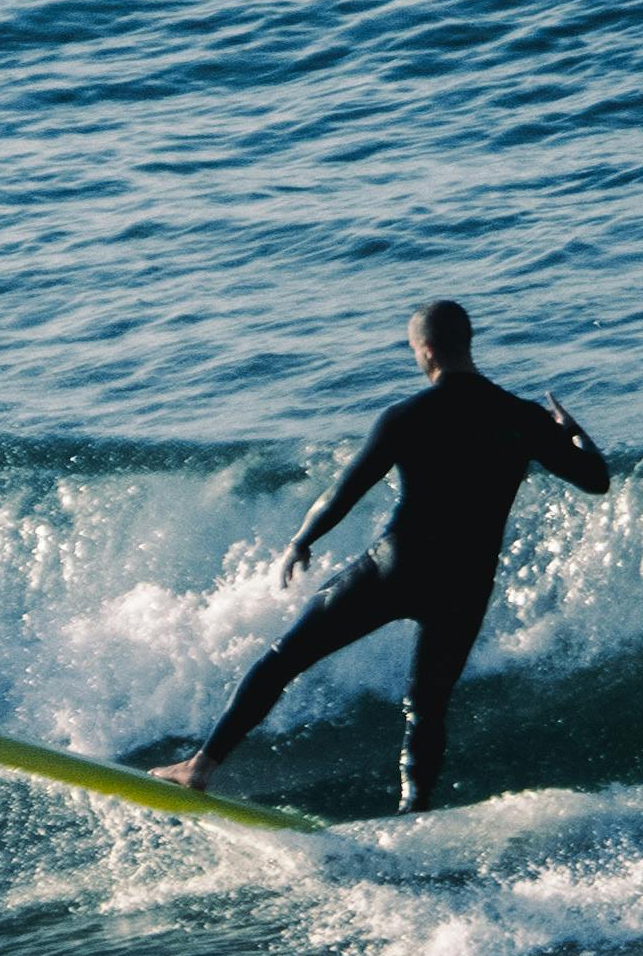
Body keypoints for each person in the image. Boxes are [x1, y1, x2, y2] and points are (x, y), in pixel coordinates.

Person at [185, 299, 610, 814]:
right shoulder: (523, 417)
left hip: (398, 567)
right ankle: (414, 811)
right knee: (428, 704)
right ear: (466, 343)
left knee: (283, 660)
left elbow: (345, 490)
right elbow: (597, 480)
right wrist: (571, 429)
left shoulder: (406, 415)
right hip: (465, 580)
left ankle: (200, 767)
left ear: (425, 350)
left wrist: (302, 539)